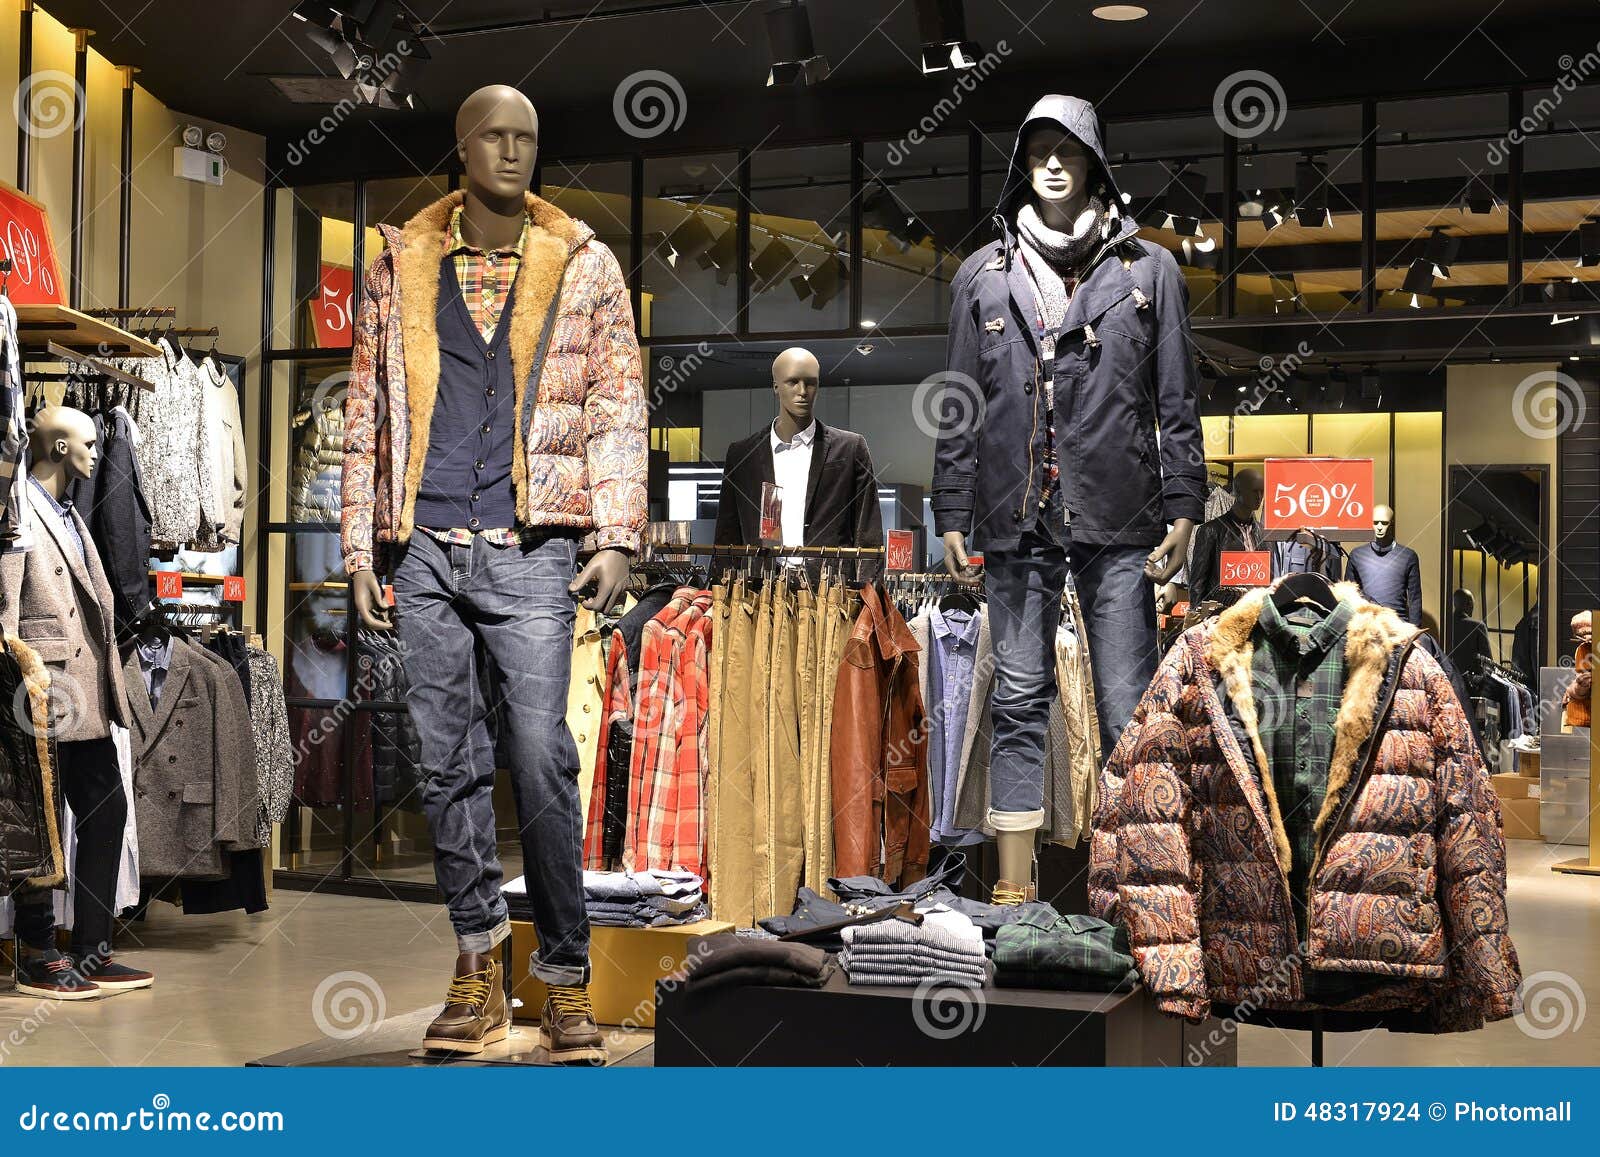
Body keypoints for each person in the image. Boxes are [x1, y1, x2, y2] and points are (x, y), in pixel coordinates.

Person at [340, 84, 646, 1062]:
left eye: (529, 136)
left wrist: (615, 534)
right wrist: (358, 549)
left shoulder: (585, 267)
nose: (514, 152)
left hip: (532, 547)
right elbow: (363, 421)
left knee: (543, 758)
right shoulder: (399, 265)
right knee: (445, 760)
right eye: (495, 136)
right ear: (462, 148)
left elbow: (616, 405)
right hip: (421, 547)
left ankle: (561, 972)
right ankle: (477, 961)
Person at [932, 94, 1205, 903]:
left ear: (1093, 160)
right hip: (1016, 522)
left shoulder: (1147, 272)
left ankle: (1140, 886)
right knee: (1017, 699)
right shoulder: (983, 275)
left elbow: (1177, 397)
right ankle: (1014, 891)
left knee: (1129, 706)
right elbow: (959, 400)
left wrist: (1185, 498)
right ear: (1025, 161)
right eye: (1039, 148)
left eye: (1069, 148)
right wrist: (951, 506)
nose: (1053, 162)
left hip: (1119, 515)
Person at [713, 347, 882, 571]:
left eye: (810, 383)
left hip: (832, 590)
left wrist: (866, 593)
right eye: (792, 382)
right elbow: (728, 532)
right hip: (759, 589)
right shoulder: (742, 454)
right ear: (775, 386)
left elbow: (867, 529)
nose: (802, 391)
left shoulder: (850, 448)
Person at [1185, 468, 1264, 605]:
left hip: (1258, 610)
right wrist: (1199, 618)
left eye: (1262, 491)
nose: (1259, 496)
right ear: (1238, 492)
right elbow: (1197, 584)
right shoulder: (1210, 531)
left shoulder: (1263, 533)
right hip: (1223, 613)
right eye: (1253, 491)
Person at [1344, 504, 1422, 625]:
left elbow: (1415, 598)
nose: (1379, 527)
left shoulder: (1408, 556)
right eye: (1376, 523)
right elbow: (1349, 595)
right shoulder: (1357, 555)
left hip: (1397, 625)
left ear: (1391, 523)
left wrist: (1414, 630)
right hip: (1366, 624)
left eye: (1384, 523)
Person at [1448, 589, 1494, 683]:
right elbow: (1488, 661)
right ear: (1469, 603)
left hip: (1448, 679)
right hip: (1471, 683)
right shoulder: (1477, 626)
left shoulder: (1445, 625)